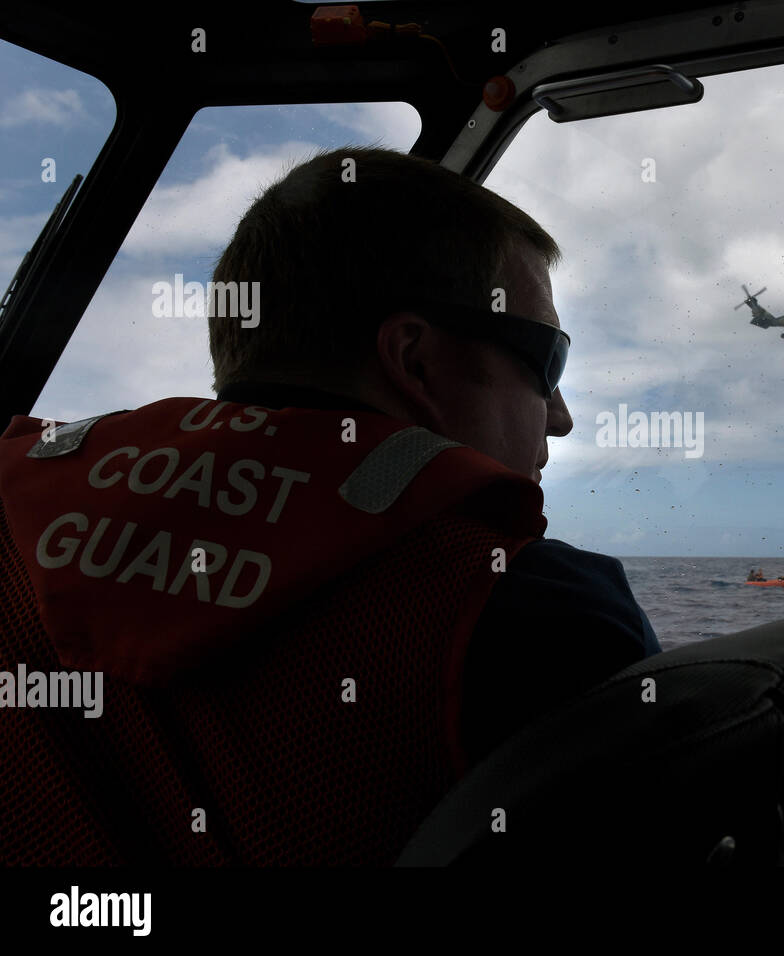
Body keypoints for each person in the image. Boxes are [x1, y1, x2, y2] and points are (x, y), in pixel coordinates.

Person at [0, 146, 660, 865]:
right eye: (548, 362)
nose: (559, 416)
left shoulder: (12, 508)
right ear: (414, 360)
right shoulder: (535, 616)